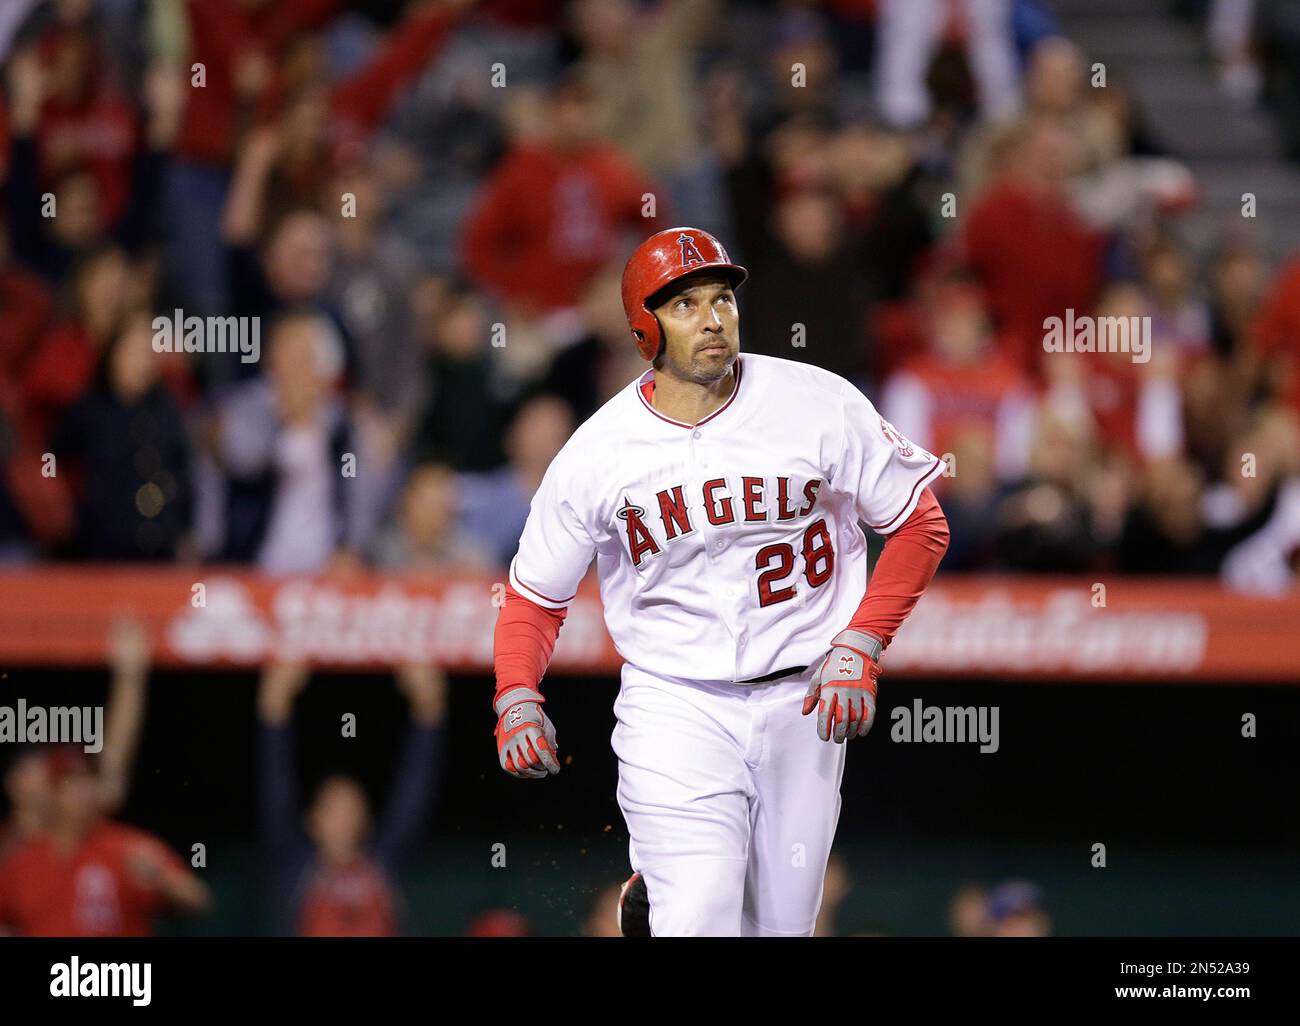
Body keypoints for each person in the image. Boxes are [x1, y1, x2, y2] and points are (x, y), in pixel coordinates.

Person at [490, 227, 949, 937]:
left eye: (720, 300)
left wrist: (863, 640)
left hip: (807, 698)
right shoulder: (598, 452)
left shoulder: (816, 402)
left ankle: (659, 907)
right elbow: (534, 597)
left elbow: (921, 523)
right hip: (675, 702)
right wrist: (517, 693)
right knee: (702, 911)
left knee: (781, 928)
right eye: (685, 305)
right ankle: (669, 901)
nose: (711, 319)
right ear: (645, 327)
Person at [0, 746, 210, 936]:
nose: (83, 792)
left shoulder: (127, 846)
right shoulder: (22, 859)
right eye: (71, 782)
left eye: (89, 780)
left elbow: (199, 900)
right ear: (52, 792)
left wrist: (162, 881)